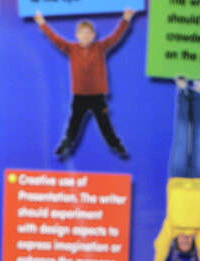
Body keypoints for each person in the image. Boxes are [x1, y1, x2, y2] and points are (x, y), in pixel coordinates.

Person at [35, 8, 136, 160]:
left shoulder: (100, 47)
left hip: (98, 96)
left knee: (105, 123)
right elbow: (55, 39)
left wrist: (126, 20)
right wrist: (42, 24)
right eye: (82, 33)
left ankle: (116, 144)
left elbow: (116, 36)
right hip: (80, 96)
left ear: (94, 36)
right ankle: (67, 144)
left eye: (89, 33)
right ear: (77, 36)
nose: (85, 36)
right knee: (74, 122)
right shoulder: (72, 48)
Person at [153, 77, 200, 261]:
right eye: (189, 243)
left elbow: (160, 243)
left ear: (176, 242)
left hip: (177, 178)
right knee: (199, 134)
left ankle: (182, 90)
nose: (186, 240)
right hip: (199, 178)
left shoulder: (171, 227)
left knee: (181, 134)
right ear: (193, 243)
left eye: (182, 243)